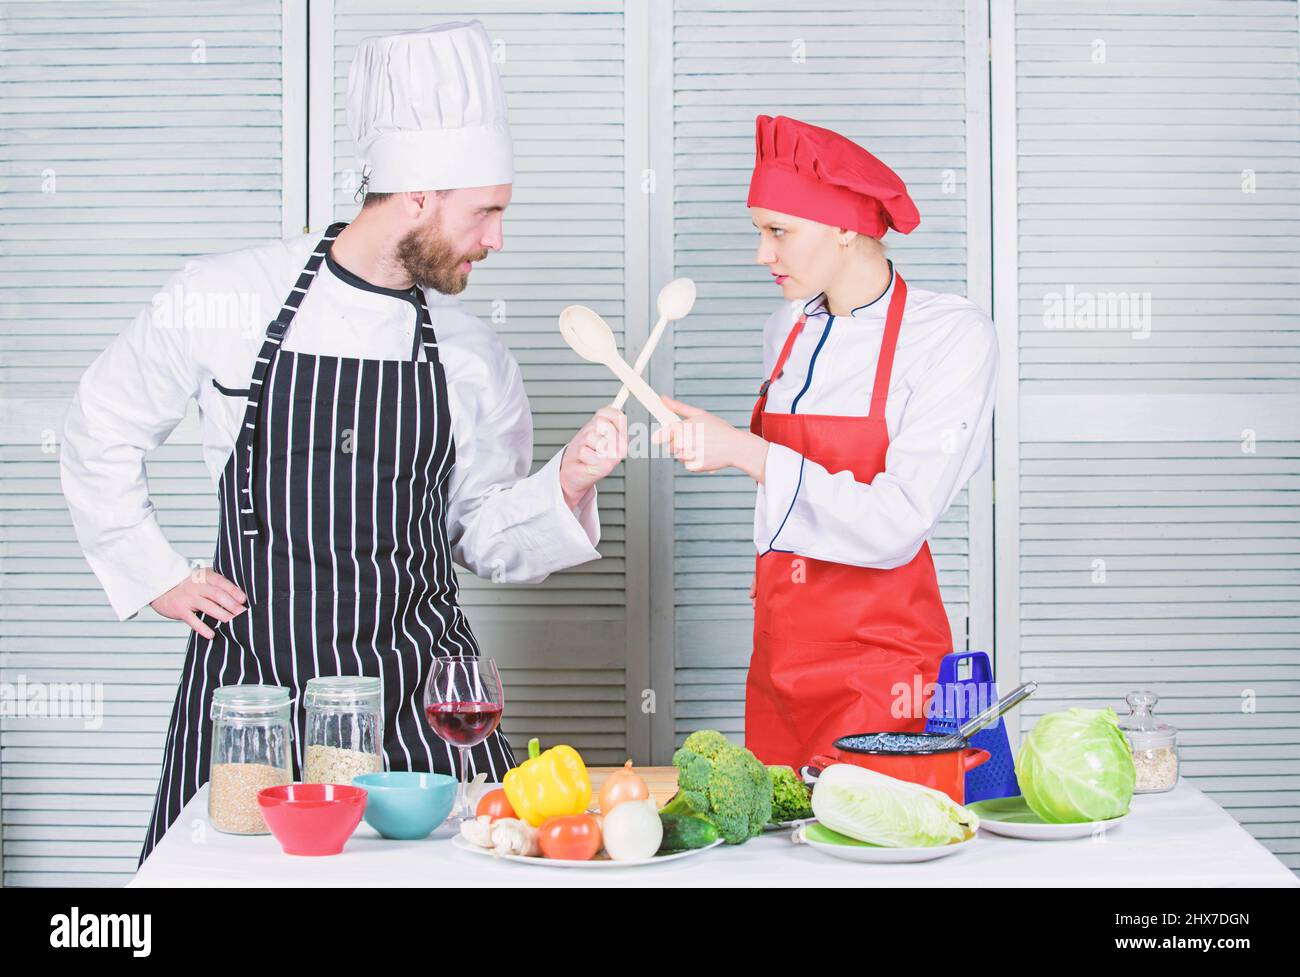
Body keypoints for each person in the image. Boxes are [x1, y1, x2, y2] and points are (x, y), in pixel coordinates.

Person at [59, 21, 627, 865]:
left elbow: (475, 534)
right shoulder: (228, 296)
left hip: (421, 700)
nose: (497, 239)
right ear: (419, 196)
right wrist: (156, 573)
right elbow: (99, 422)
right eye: (487, 212)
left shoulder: (472, 355)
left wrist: (568, 485)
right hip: (258, 697)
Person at [655, 115, 998, 770]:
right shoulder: (785, 326)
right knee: (778, 860)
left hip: (881, 673)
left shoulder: (950, 337)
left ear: (847, 228)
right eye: (759, 231)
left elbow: (898, 521)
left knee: (875, 855)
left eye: (778, 231)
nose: (763, 253)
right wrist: (720, 442)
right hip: (778, 668)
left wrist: (742, 450)